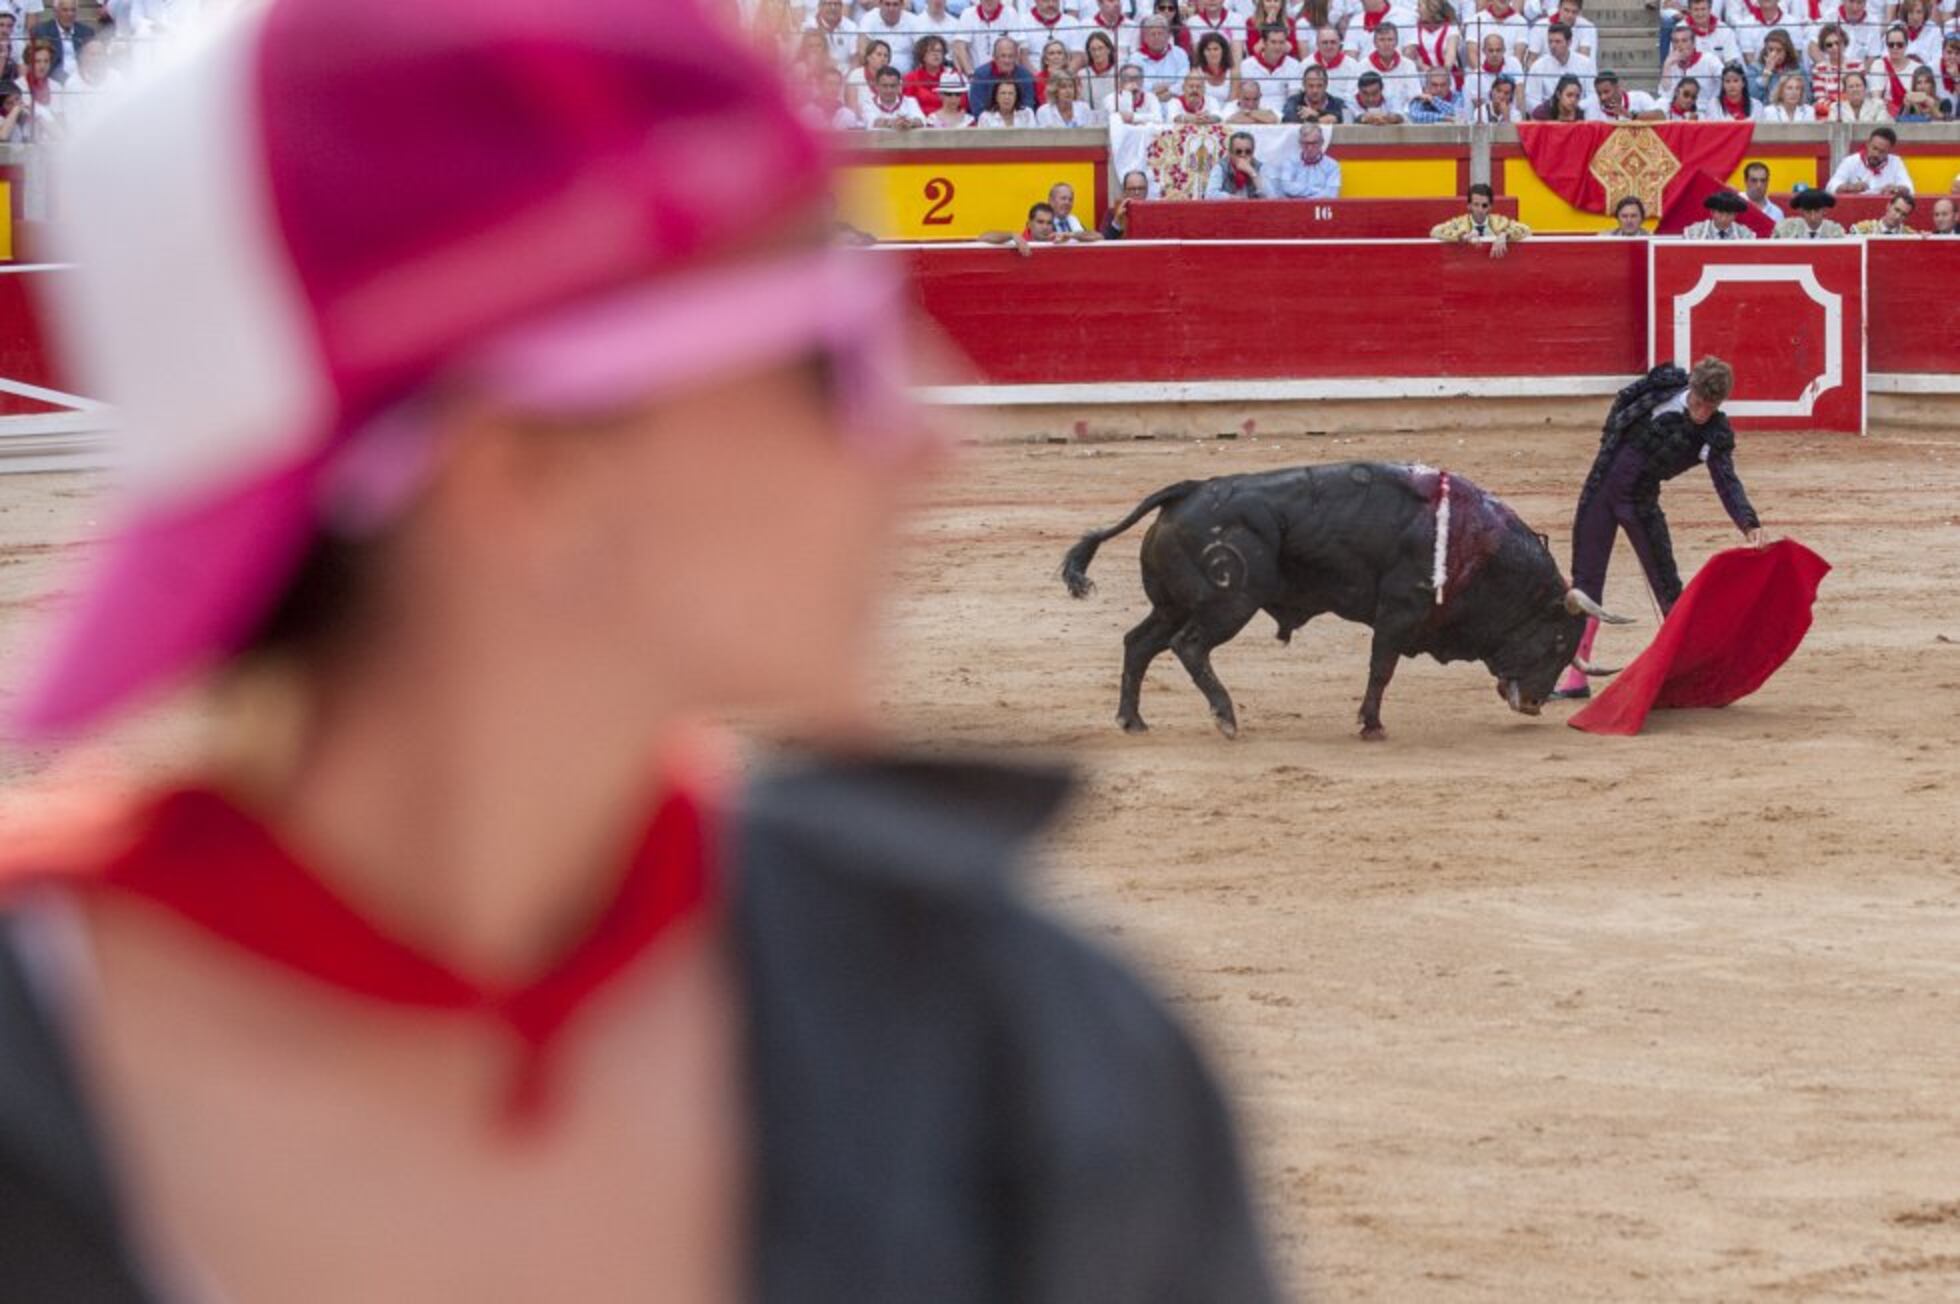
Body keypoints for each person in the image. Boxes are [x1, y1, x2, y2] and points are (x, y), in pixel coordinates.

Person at [0, 1, 1285, 1300]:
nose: (932, 437)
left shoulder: (1033, 1048)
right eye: (830, 356)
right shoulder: (1018, 1062)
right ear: (527, 474)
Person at [1553, 358, 1764, 699]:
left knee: (1667, 587)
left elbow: (1726, 480)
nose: (1700, 413)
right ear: (1690, 389)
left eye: (1709, 408)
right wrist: (1608, 446)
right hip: (1600, 489)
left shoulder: (1713, 434)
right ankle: (1576, 681)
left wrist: (1748, 523)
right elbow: (1621, 401)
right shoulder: (1662, 385)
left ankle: (1689, 675)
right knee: (1585, 583)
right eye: (1697, 403)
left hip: (1640, 504)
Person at [1430, 181, 1530, 254]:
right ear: (1469, 206)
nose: (1480, 209)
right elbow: (1435, 231)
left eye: (1484, 205)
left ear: (1490, 206)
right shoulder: (1460, 223)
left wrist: (1505, 235)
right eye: (1476, 204)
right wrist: (1463, 236)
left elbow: (1526, 229)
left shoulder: (1499, 221)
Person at [1526, 22, 1597, 115]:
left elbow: (1593, 96)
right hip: (1549, 118)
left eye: (1557, 41)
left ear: (1569, 42)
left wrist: (1575, 106)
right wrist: (1552, 110)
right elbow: (1531, 99)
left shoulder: (1586, 64)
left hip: (1579, 116)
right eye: (1550, 41)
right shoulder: (1538, 66)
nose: (1553, 46)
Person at [967, 34, 1036, 122]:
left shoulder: (1025, 75)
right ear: (994, 57)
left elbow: (1028, 105)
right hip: (989, 124)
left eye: (1010, 56)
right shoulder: (980, 75)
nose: (1007, 60)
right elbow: (978, 108)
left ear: (1016, 57)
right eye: (1003, 56)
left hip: (1019, 123)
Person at [1828, 125, 1913, 195]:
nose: (1876, 154)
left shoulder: (1896, 162)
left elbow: (1909, 189)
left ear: (1889, 152)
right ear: (1868, 144)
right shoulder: (1851, 161)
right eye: (1874, 148)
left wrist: (1895, 189)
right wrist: (1852, 187)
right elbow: (1831, 187)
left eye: (1882, 151)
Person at [1268, 122, 1342, 197]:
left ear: (1321, 143)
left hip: (1318, 206)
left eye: (1314, 143)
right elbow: (1287, 187)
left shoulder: (1333, 165)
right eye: (1306, 143)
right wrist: (1316, 190)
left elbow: (1331, 194)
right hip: (1295, 206)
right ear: (1300, 143)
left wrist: (1307, 202)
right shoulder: (1290, 161)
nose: (1309, 148)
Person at [904, 33, 968, 118]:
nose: (936, 54)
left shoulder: (953, 75)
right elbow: (907, 106)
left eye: (939, 51)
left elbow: (963, 103)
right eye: (931, 51)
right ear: (922, 55)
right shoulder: (911, 78)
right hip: (922, 123)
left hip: (950, 122)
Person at [1660, 23, 1721, 107]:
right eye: (1676, 41)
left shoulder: (1709, 59)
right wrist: (1667, 65)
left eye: (1684, 41)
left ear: (1693, 43)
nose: (1679, 45)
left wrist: (1714, 99)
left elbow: (1725, 81)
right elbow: (1665, 94)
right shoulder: (1671, 63)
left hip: (1705, 109)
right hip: (1679, 111)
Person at [1868, 24, 1924, 117]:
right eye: (1891, 44)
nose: (1895, 48)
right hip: (1885, 115)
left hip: (1911, 115)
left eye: (1899, 44)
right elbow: (1876, 98)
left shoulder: (1917, 68)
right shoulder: (1879, 65)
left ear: (1906, 45)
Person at [27, 0, 86, 75]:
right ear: (56, 12)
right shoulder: (42, 31)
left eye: (73, 10)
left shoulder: (86, 32)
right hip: (54, 77)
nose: (70, 14)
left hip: (80, 78)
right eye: (65, 10)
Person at [862, 0, 922, 74]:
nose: (891, 9)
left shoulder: (914, 20)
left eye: (895, 4)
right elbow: (863, 51)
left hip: (907, 78)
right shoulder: (869, 18)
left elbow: (921, 52)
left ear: (902, 5)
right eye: (887, 4)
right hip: (876, 76)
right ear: (880, 4)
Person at [863, 63, 928, 127]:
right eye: (884, 86)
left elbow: (921, 121)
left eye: (893, 86)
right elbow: (873, 122)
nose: (889, 90)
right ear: (877, 86)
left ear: (899, 86)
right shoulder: (868, 103)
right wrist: (894, 122)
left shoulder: (910, 101)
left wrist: (910, 122)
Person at [1205, 129, 1266, 197]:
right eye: (1238, 151)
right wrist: (1234, 199)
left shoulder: (1259, 167)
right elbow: (1210, 194)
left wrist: (1252, 173)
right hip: (1228, 207)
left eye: (1248, 151)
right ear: (1230, 153)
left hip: (1253, 207)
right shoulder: (1221, 167)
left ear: (1253, 152)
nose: (1243, 155)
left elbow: (1271, 197)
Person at [1773, 185, 1848, 236]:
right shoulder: (1785, 229)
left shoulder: (1835, 232)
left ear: (1824, 211)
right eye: (1808, 212)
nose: (1813, 217)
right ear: (1801, 211)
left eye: (1817, 211)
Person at [1682, 188, 1757, 238]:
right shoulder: (1695, 232)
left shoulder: (1745, 234)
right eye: (1721, 212)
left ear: (1735, 215)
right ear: (1712, 212)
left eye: (1729, 213)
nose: (1724, 218)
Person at [1035, 69, 1101, 125]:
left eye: (1071, 86)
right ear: (1054, 90)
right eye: (1063, 87)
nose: (1068, 91)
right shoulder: (1044, 111)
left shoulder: (1084, 108)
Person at [1191, 31, 1237, 109]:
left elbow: (1233, 101)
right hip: (1204, 114)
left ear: (1223, 51)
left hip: (1228, 114)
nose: (1212, 53)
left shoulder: (1233, 73)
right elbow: (1195, 100)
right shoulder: (1196, 73)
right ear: (1203, 53)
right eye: (1208, 49)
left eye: (1216, 49)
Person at [1101, 168, 1151, 238]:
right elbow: (1103, 242)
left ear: (1147, 190)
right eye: (1132, 189)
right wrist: (1116, 222)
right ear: (1124, 191)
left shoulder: (1154, 212)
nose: (1137, 192)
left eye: (1141, 188)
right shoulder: (1112, 213)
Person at [1593, 68, 1661, 119]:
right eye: (1599, 94)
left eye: (1606, 92)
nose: (1603, 97)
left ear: (1617, 87)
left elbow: (1660, 117)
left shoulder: (1639, 97)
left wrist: (1630, 115)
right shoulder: (1595, 108)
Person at [1851, 191, 1920, 234]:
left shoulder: (1910, 235)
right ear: (1888, 206)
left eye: (1903, 214)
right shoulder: (1864, 229)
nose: (1898, 216)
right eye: (1896, 210)